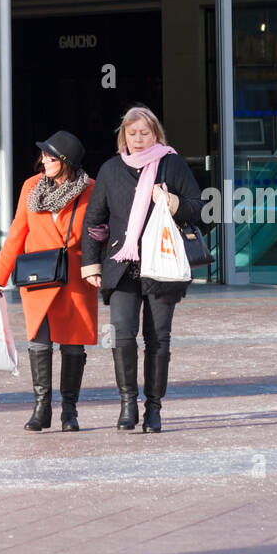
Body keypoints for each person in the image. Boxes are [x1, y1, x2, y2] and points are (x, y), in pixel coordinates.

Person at [81, 106, 202, 434]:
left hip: (161, 266)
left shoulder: (171, 164)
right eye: (131, 133)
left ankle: (154, 409)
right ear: (124, 135)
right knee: (122, 334)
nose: (137, 139)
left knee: (158, 337)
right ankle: (127, 403)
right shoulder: (110, 169)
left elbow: (200, 209)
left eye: (144, 133)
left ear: (156, 135)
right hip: (123, 266)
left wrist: (172, 202)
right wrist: (91, 264)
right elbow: (95, 221)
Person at [0, 131, 97, 432]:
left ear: (67, 162)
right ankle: (41, 408)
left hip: (75, 278)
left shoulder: (90, 189)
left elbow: (101, 233)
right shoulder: (30, 187)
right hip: (38, 277)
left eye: (52, 156)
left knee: (73, 346)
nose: (44, 160)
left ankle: (70, 411)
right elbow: (16, 235)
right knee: (39, 342)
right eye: (44, 154)